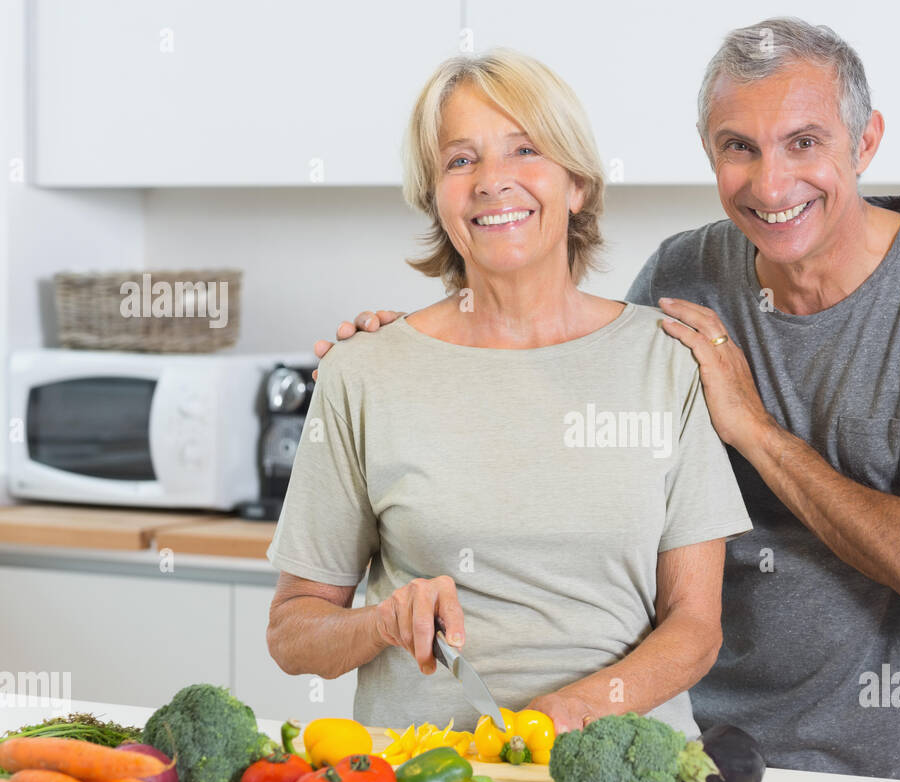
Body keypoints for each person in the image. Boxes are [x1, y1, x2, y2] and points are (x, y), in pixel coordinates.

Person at [320, 18, 900, 782]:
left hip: (895, 762)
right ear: (709, 151)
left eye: (804, 142)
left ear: (865, 143)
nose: (771, 184)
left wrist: (756, 433)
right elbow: (562, 409)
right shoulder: (684, 275)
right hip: (693, 745)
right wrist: (404, 355)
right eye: (740, 147)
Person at [267, 48, 752, 739]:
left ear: (576, 184)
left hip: (616, 776)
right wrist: (383, 623)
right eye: (460, 160)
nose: (493, 181)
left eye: (525, 150)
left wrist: (574, 712)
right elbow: (292, 633)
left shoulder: (667, 358)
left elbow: (697, 626)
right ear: (436, 196)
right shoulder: (366, 370)